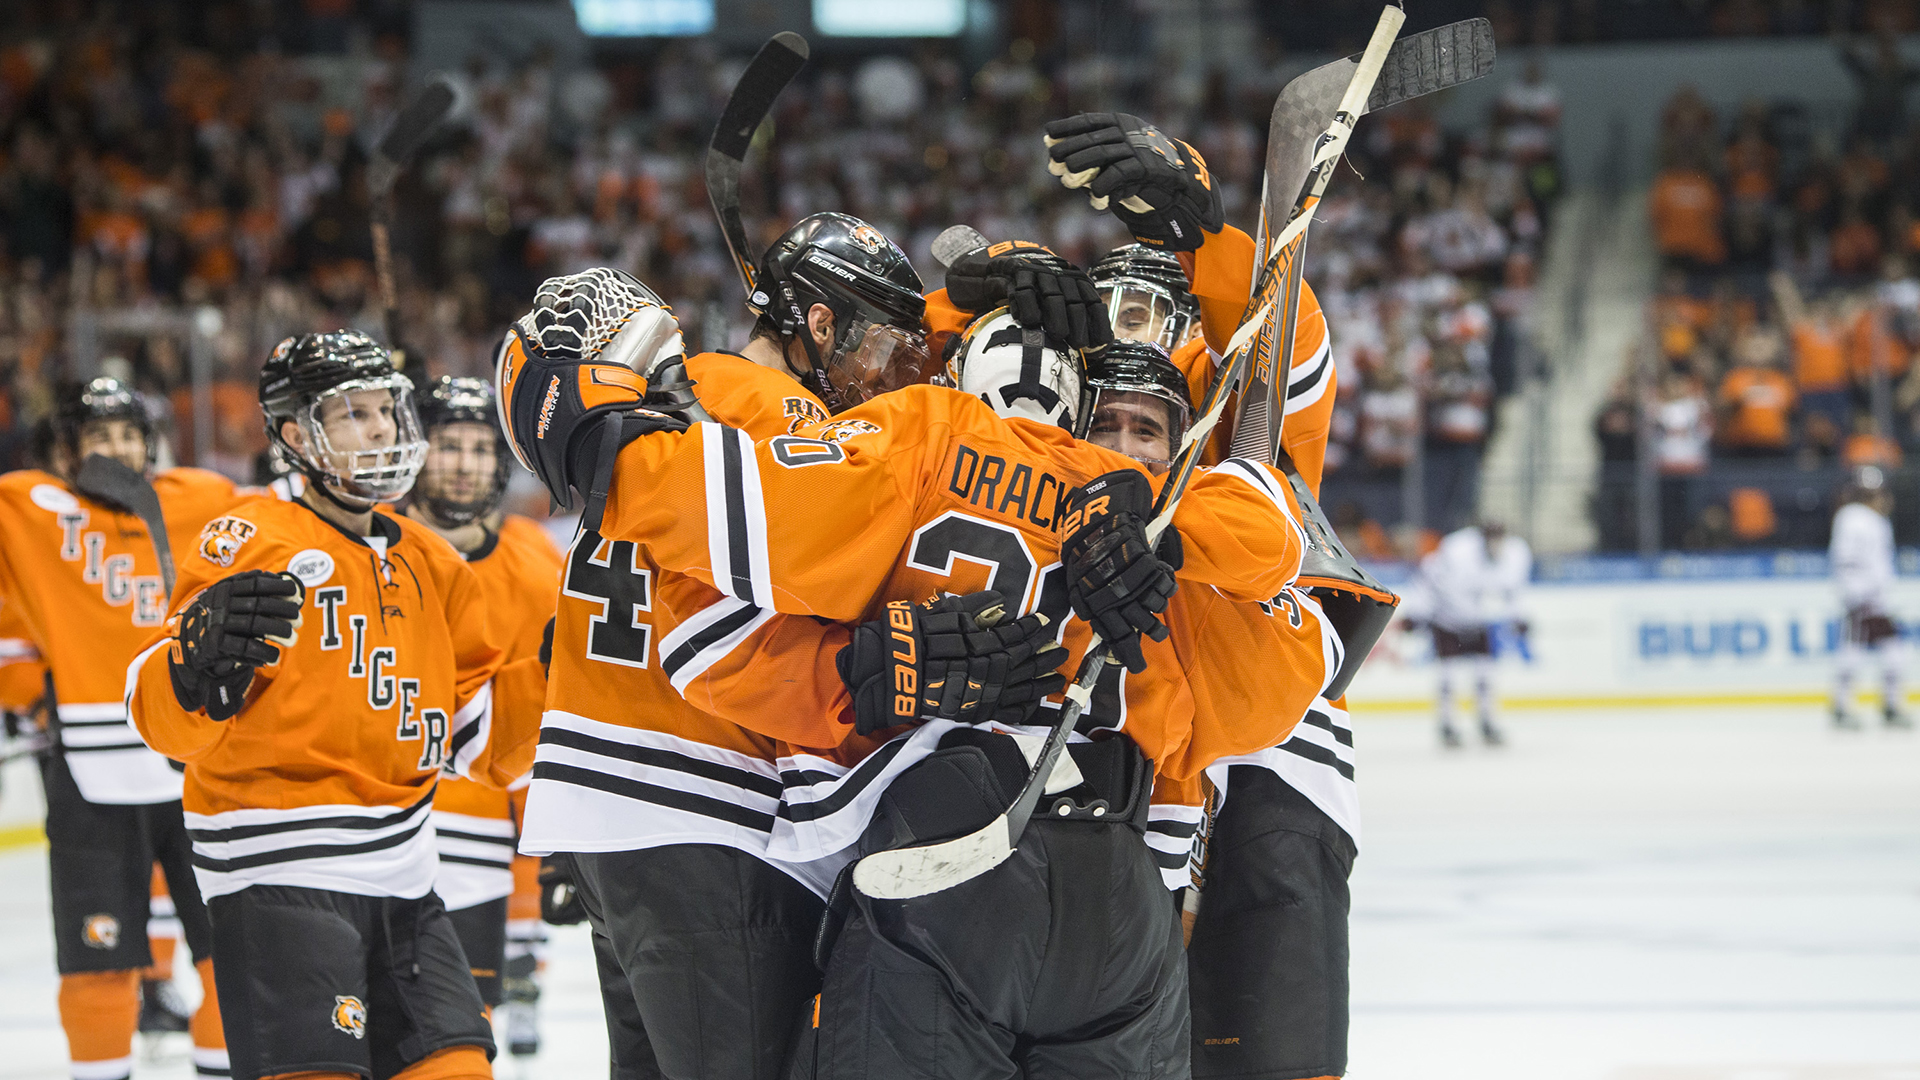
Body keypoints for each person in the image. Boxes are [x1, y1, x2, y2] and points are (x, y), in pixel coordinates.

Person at [501, 297, 1315, 1080]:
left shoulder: (925, 430)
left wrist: (600, 444)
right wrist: (1190, 522)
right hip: (1121, 901)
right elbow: (1294, 655)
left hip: (938, 861)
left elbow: (724, 546)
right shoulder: (1156, 521)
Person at [126, 331, 545, 1080]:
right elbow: (162, 721)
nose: (383, 429)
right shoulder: (250, 536)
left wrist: (555, 670)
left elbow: (479, 742)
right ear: (296, 434)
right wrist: (187, 671)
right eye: (354, 414)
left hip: (411, 883)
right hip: (281, 875)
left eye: (387, 409)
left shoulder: (432, 562)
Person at [1055, 111, 1363, 1080]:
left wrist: (1208, 240)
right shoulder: (1066, 419)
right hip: (1123, 755)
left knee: (1266, 1048)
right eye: (1111, 312)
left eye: (1151, 304)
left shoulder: (1229, 385)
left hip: (1273, 755)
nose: (1128, 329)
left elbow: (1295, 359)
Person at [0, 377, 238, 1080]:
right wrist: (32, 697)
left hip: (197, 764)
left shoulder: (200, 498)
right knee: (98, 962)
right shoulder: (31, 507)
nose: (118, 450)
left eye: (129, 435)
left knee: (232, 950)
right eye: (98, 438)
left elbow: (291, 505)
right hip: (90, 775)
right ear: (65, 452)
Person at [399, 376, 563, 1056]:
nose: (464, 464)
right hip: (393, 810)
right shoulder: (378, 551)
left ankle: (524, 972)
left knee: (466, 1026)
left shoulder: (532, 559)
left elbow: (551, 705)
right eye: (447, 446)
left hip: (495, 802)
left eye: (477, 448)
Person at [1406, 520, 1532, 747]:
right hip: (1447, 620)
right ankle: (1447, 724)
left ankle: (1486, 721)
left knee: (1485, 674)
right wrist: (1418, 612)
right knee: (1448, 675)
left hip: (1480, 621)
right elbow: (1428, 579)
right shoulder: (1456, 551)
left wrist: (1518, 616)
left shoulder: (1516, 553)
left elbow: (1514, 591)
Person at [1829, 467, 1909, 730]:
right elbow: (1846, 562)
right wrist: (1858, 595)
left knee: (1892, 654)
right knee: (1854, 653)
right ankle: (1841, 707)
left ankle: (1889, 705)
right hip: (1864, 599)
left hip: (1876, 600)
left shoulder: (1872, 520)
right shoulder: (1853, 518)